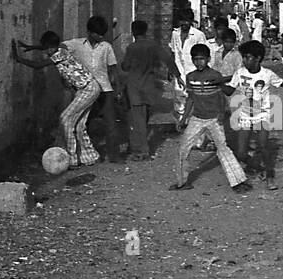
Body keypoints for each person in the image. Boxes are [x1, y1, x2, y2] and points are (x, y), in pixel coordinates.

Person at [10, 32, 101, 168]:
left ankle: (71, 158)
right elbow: (46, 47)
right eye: (46, 48)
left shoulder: (58, 55)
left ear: (54, 47)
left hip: (87, 89)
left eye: (49, 48)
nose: (47, 51)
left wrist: (19, 59)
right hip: (88, 88)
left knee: (65, 119)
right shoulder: (61, 50)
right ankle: (89, 156)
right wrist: (31, 47)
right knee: (79, 125)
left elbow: (38, 65)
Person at [171, 44, 253, 194]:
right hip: (197, 118)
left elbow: (221, 95)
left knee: (223, 149)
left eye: (201, 59)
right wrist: (183, 119)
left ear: (208, 59)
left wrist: (222, 113)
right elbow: (190, 99)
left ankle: (239, 181)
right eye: (195, 59)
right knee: (183, 148)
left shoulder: (215, 76)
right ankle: (182, 182)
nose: (198, 62)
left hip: (214, 118)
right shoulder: (191, 77)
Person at [225, 40, 283, 191]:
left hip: (262, 114)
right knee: (241, 153)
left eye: (248, 57)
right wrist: (214, 83)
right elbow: (229, 90)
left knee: (262, 145)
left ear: (258, 58)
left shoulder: (267, 74)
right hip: (245, 115)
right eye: (244, 57)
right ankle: (258, 167)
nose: (245, 61)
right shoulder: (240, 73)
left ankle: (270, 175)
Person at [62, 16, 123, 162]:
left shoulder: (106, 47)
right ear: (89, 32)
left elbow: (113, 68)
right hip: (86, 90)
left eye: (102, 34)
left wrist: (118, 88)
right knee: (81, 123)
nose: (100, 37)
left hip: (104, 90)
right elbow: (60, 48)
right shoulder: (77, 44)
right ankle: (81, 154)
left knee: (110, 123)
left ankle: (114, 155)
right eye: (97, 34)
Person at [120, 19, 180, 161]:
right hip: (149, 86)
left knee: (137, 119)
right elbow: (168, 59)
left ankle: (141, 150)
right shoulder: (153, 46)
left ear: (133, 31)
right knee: (144, 117)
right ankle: (138, 144)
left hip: (135, 87)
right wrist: (177, 75)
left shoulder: (132, 48)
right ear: (145, 31)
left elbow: (125, 66)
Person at [169, 10, 205, 126]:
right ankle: (181, 123)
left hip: (194, 71)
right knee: (179, 97)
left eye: (187, 21)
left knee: (194, 98)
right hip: (179, 71)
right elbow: (173, 53)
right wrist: (171, 70)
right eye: (182, 20)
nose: (184, 23)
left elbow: (203, 54)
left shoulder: (198, 35)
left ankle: (192, 124)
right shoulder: (175, 34)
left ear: (191, 21)